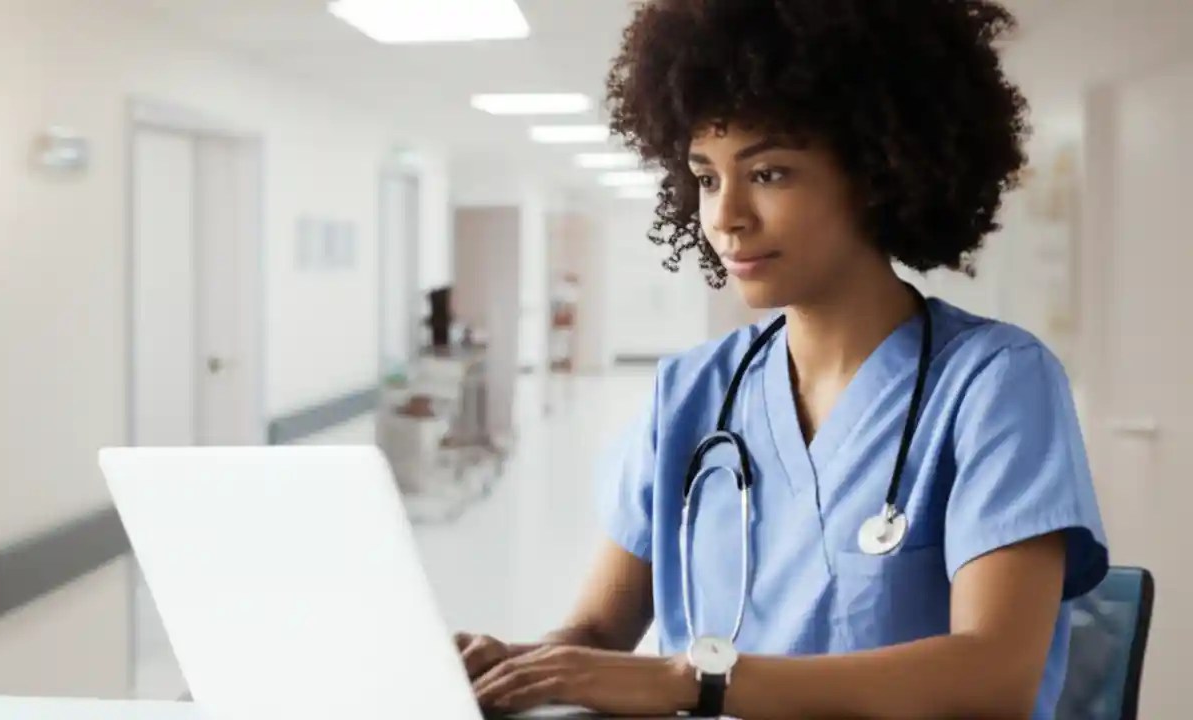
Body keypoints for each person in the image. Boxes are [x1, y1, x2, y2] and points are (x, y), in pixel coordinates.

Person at [454, 0, 1109, 717]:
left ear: (879, 171)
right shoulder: (693, 392)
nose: (725, 216)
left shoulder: (995, 382)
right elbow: (599, 631)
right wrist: (521, 667)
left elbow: (993, 675)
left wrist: (696, 681)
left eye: (768, 174)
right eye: (706, 178)